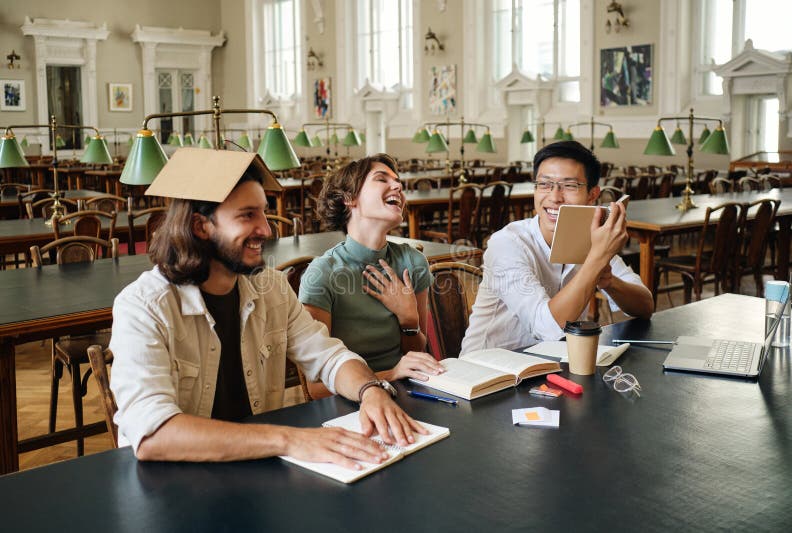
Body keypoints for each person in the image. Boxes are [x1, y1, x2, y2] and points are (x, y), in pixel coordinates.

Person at [110, 148, 426, 469]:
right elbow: (152, 435)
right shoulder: (143, 306)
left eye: (263, 212)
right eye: (248, 215)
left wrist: (370, 389)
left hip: (255, 466)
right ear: (201, 227)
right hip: (175, 481)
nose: (266, 229)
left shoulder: (270, 287)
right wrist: (290, 439)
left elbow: (329, 357)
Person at [461, 141, 653, 354]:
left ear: (592, 195)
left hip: (551, 367)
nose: (554, 197)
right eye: (544, 184)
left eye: (569, 186)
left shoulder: (591, 238)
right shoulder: (506, 243)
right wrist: (597, 259)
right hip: (487, 373)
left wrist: (610, 282)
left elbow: (645, 307)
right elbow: (548, 329)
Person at [299, 154, 444, 396]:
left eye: (398, 181)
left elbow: (416, 354)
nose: (398, 186)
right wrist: (390, 375)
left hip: (408, 392)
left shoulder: (413, 261)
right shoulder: (323, 273)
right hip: (348, 401)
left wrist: (408, 319)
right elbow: (317, 388)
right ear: (349, 198)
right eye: (381, 179)